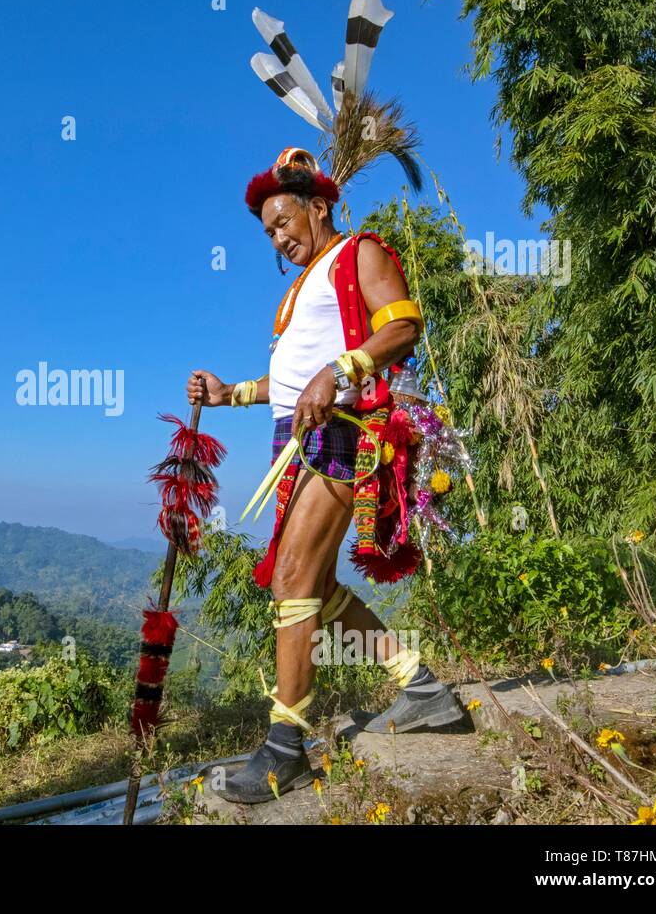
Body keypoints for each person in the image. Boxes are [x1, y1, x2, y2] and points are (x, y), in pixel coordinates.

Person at [188, 147, 465, 805]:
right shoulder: (297, 290)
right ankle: (425, 690)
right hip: (299, 438)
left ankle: (286, 751)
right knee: (316, 583)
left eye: (284, 221)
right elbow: (288, 382)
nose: (279, 237)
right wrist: (230, 394)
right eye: (268, 232)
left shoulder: (358, 253)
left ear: (318, 207)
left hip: (340, 435)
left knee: (291, 580)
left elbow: (402, 326)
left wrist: (340, 374)